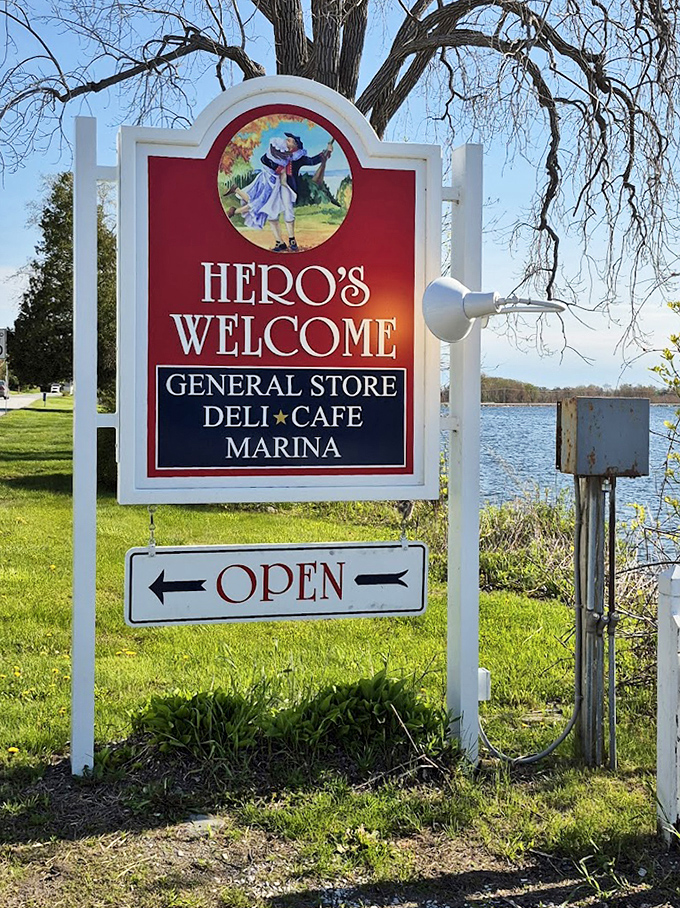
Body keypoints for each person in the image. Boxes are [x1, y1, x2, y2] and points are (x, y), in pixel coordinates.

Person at [259, 133, 332, 251]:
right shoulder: (277, 151)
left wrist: (327, 151)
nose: (286, 141)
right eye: (286, 139)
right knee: (271, 213)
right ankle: (279, 242)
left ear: (295, 145)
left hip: (287, 187)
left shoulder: (298, 157)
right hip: (273, 186)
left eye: (289, 140)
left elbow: (313, 160)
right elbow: (264, 160)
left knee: (288, 210)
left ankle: (292, 239)